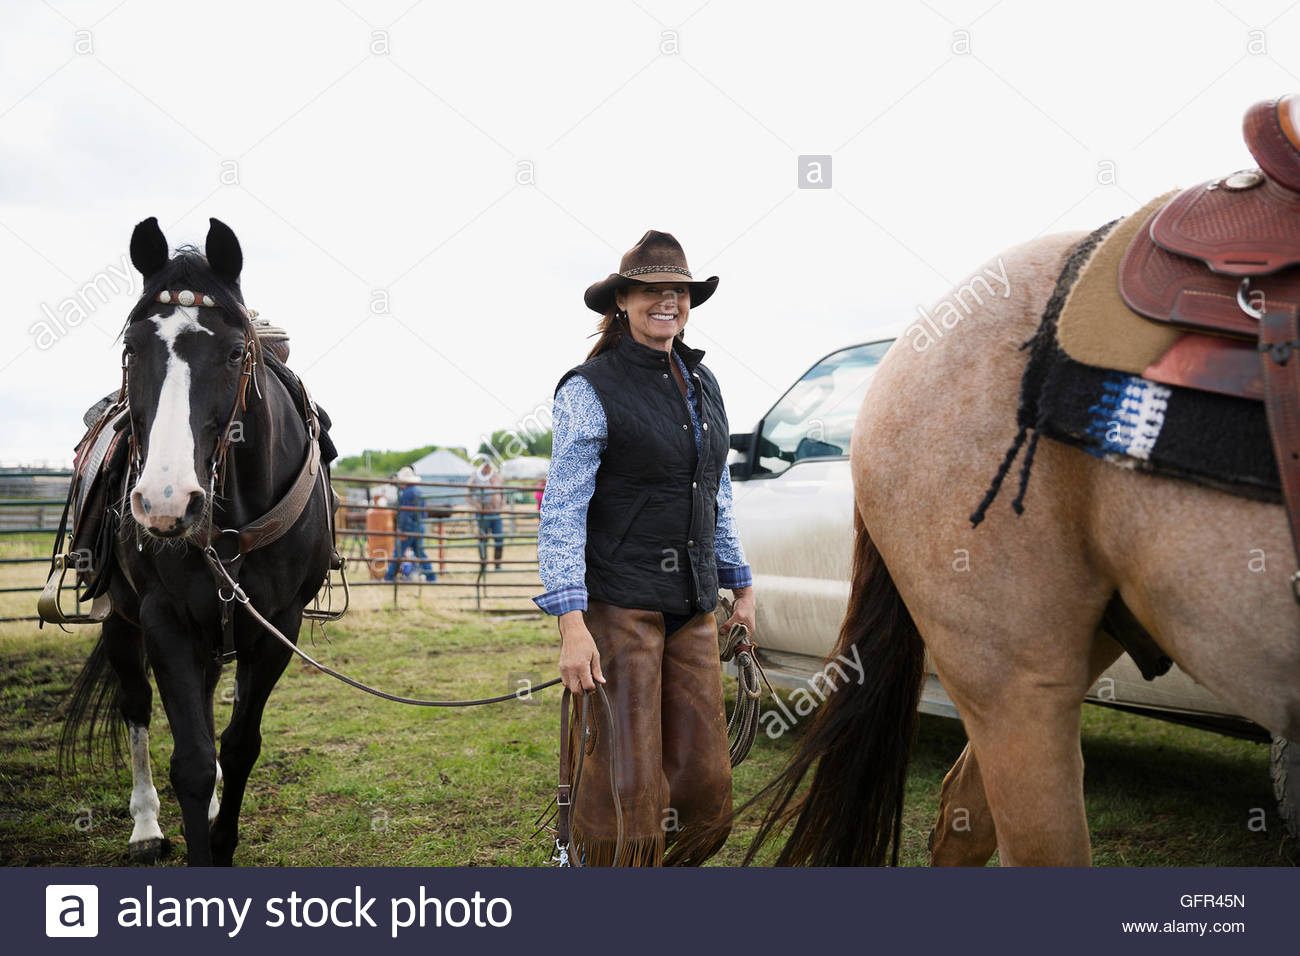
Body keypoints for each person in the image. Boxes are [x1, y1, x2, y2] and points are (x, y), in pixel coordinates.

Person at [535, 230, 755, 867]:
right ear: (622, 302)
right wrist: (572, 626)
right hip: (619, 606)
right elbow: (563, 508)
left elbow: (717, 488)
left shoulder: (703, 382)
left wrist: (738, 582)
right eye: (652, 290)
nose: (667, 300)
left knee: (705, 780)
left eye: (678, 290)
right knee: (626, 788)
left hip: (692, 604)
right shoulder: (588, 388)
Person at [384, 466, 437, 582]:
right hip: (419, 525)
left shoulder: (407, 493)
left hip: (408, 528)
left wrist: (402, 530)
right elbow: (424, 513)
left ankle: (389, 577)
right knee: (420, 553)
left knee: (398, 552)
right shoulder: (418, 491)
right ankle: (431, 577)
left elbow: (404, 514)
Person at [468, 457, 506, 570]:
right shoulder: (476, 477)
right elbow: (468, 493)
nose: (487, 467)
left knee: (499, 538)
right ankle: (483, 564)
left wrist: (501, 505)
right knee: (483, 538)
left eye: (489, 465)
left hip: (495, 512)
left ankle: (497, 564)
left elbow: (503, 492)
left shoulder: (497, 477)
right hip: (483, 513)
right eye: (485, 465)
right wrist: (476, 504)